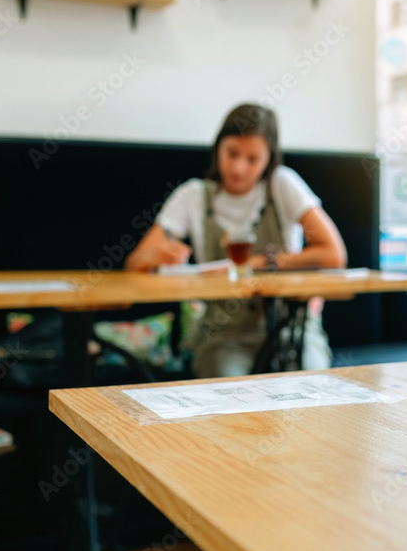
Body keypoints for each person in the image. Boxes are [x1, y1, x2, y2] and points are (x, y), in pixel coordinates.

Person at [125, 103, 347, 378]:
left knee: (313, 388)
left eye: (252, 159)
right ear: (218, 146)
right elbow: (134, 264)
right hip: (223, 334)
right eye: (232, 153)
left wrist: (258, 263)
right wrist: (157, 257)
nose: (239, 168)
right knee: (228, 395)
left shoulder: (282, 185)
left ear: (269, 158)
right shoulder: (192, 196)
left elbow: (334, 254)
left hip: (292, 328)